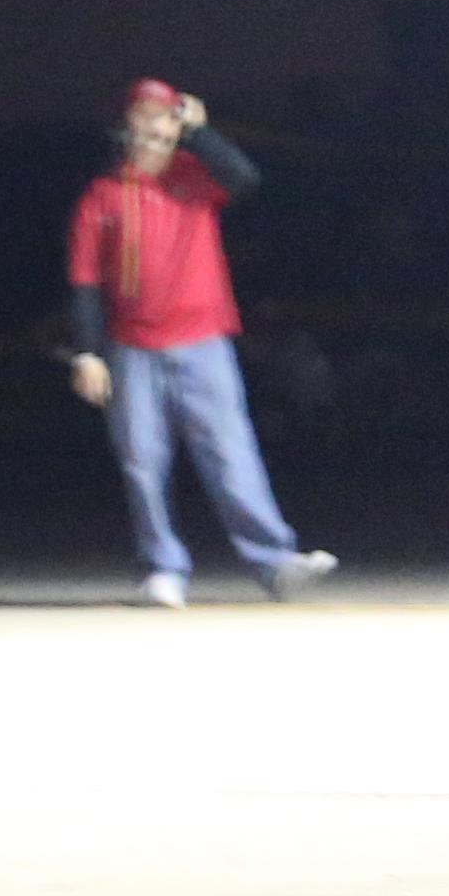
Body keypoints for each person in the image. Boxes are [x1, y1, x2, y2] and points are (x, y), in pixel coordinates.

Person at [66, 77, 333, 606]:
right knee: (143, 460)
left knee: (230, 454)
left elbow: (245, 176)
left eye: (164, 116)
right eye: (143, 115)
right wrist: (87, 353)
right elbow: (85, 283)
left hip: (203, 340)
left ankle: (275, 563)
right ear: (126, 125)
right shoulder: (102, 196)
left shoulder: (196, 179)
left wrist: (201, 133)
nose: (152, 125)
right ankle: (163, 568)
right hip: (132, 347)